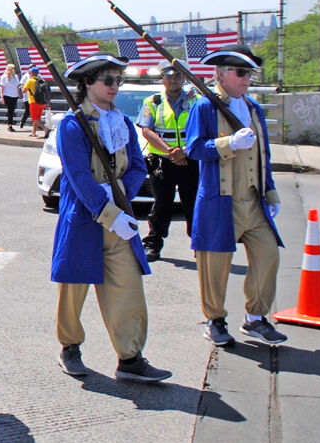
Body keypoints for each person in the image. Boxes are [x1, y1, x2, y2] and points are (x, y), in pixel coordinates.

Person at [51, 53, 171, 383]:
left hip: (119, 218)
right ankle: (70, 347)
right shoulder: (72, 125)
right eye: (108, 80)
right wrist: (106, 207)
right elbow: (77, 175)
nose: (114, 86)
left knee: (127, 287)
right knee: (73, 289)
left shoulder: (121, 122)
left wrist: (121, 193)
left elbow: (136, 165)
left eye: (117, 80)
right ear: (88, 84)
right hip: (85, 218)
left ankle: (130, 357)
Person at [185, 44, 287, 347]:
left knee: (268, 255)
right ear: (222, 74)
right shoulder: (205, 106)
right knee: (215, 265)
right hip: (220, 200)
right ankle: (215, 320)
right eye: (242, 73)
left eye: (250, 74)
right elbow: (194, 148)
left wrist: (270, 191)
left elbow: (263, 154)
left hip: (253, 200)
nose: (247, 79)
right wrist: (228, 143)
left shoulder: (253, 108)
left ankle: (255, 318)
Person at [136, 60, 200, 262]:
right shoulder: (153, 101)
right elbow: (146, 130)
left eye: (178, 76)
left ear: (184, 78)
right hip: (163, 161)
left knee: (193, 204)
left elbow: (203, 129)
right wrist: (171, 152)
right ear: (162, 78)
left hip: (190, 160)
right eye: (169, 76)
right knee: (162, 204)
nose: (173, 80)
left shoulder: (196, 100)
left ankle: (199, 244)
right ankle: (153, 245)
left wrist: (185, 152)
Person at [23, 67, 48, 139]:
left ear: (32, 73)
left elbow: (23, 90)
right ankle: (33, 132)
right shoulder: (42, 80)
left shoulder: (30, 81)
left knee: (34, 119)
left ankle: (45, 129)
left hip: (33, 101)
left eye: (29, 72)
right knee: (37, 118)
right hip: (41, 102)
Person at [0, 63, 21, 132]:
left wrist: (20, 93)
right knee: (10, 110)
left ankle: (10, 123)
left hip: (15, 95)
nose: (14, 70)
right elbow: (2, 88)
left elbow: (18, 86)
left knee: (12, 110)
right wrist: (2, 97)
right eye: (13, 68)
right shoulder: (4, 77)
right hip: (7, 95)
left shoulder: (15, 77)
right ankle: (9, 125)